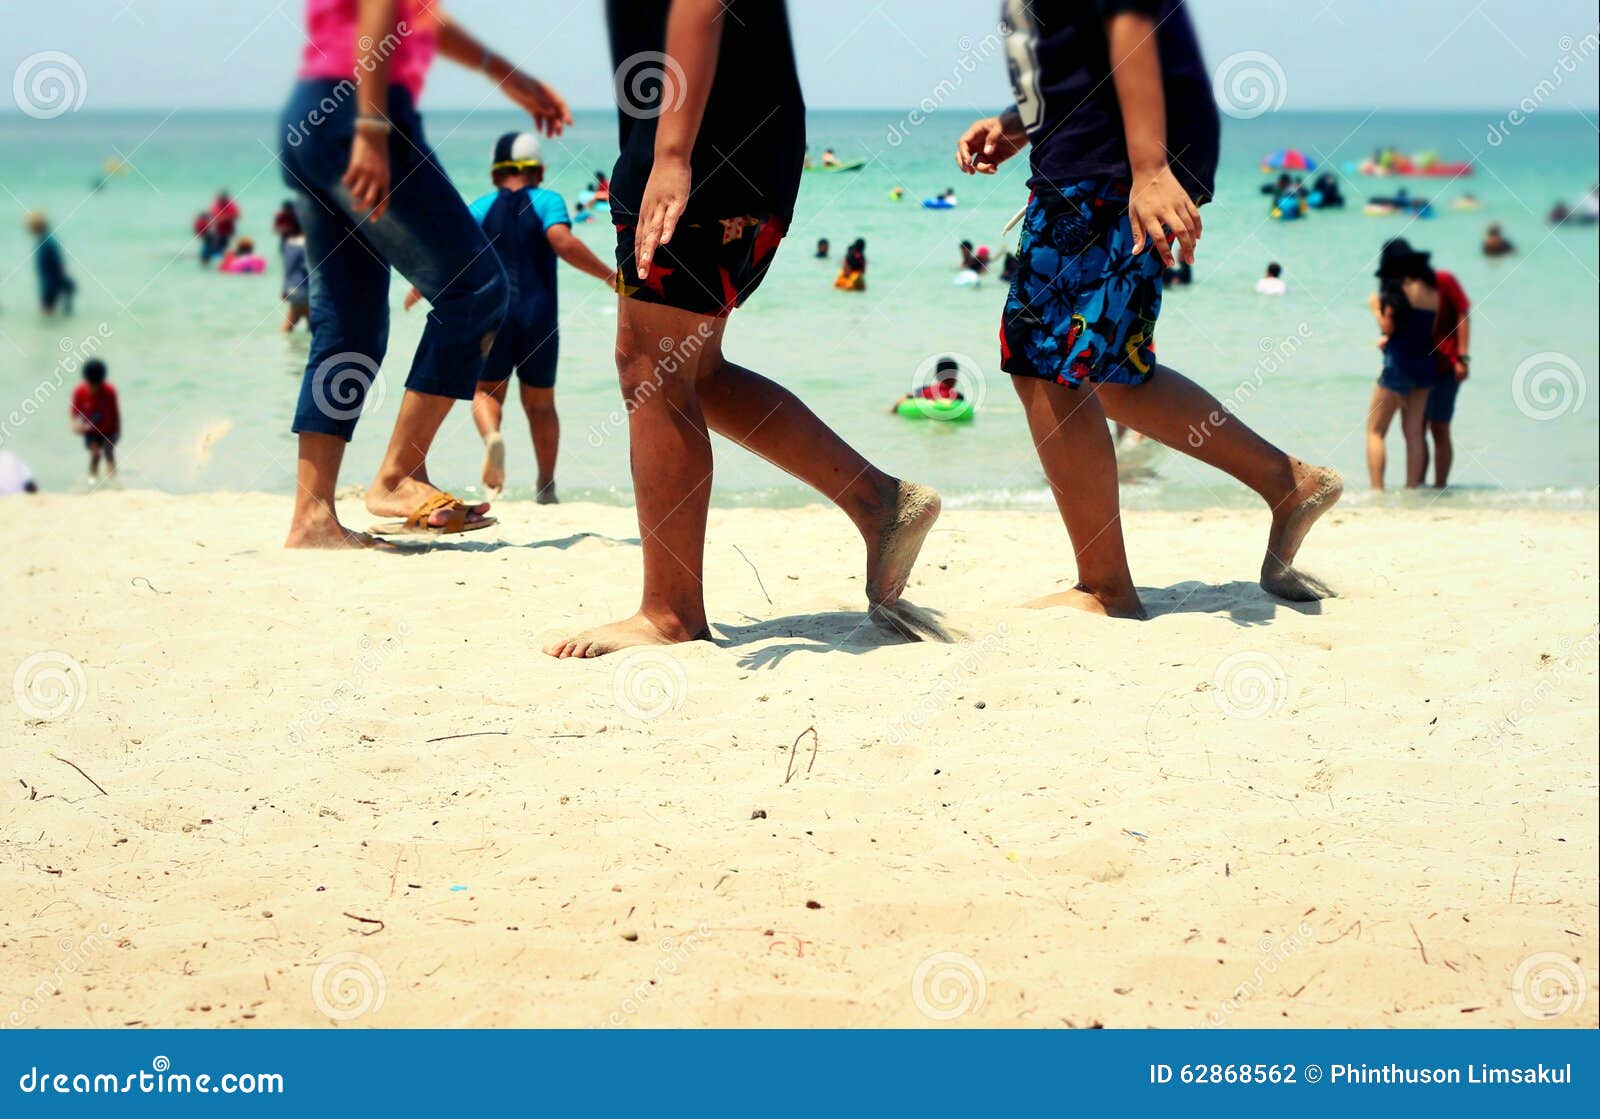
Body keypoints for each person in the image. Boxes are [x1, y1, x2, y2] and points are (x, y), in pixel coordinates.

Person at [544, 0, 939, 658]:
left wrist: (671, 152)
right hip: (742, 138)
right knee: (697, 372)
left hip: (704, 138)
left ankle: (670, 611)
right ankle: (879, 502)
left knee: (651, 367)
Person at [955, 0, 1339, 615]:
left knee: (1040, 358)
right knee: (1106, 368)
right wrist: (1019, 122)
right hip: (1099, 154)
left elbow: (1127, 14)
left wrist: (1150, 166)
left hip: (1108, 165)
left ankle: (1104, 587)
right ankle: (1288, 484)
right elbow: (1076, 48)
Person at [278, 0, 569, 547]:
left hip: (314, 112)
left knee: (348, 324)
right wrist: (369, 125)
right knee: (477, 287)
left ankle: (312, 519)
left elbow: (418, 15)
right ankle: (399, 474)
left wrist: (506, 73)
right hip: (360, 110)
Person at [406, 131, 615, 503]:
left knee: (485, 392)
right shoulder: (548, 200)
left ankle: (492, 438)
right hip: (539, 317)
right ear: (540, 171)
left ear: (494, 174)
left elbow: (454, 249)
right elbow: (561, 240)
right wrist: (608, 275)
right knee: (541, 404)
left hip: (493, 317)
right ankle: (546, 487)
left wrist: (423, 284)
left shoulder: (482, 206)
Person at [1364, 244, 1440, 490]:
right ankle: (1412, 491)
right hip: (1426, 366)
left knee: (1375, 431)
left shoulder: (1399, 288)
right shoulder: (1432, 290)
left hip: (1398, 366)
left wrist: (1375, 307)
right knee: (1414, 434)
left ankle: (1377, 491)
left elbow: (1389, 327)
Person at [1425, 254, 1471, 488]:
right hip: (1418, 367)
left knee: (1439, 427)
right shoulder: (1405, 287)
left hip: (1447, 365)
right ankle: (1418, 487)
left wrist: (1462, 356)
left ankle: (1439, 486)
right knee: (1416, 428)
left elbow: (1463, 311)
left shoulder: (1444, 280)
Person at [71, 358, 120, 480]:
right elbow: (74, 413)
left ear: (102, 381)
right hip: (91, 431)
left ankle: (113, 482)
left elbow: (116, 414)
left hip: (109, 430)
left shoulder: (110, 391)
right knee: (95, 454)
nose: (94, 389)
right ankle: (92, 481)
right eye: (91, 385)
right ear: (86, 380)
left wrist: (117, 433)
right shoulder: (79, 392)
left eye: (97, 385)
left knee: (109, 452)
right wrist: (75, 425)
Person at [25, 213, 76, 315]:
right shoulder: (46, 240)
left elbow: (57, 264)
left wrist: (60, 281)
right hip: (51, 283)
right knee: (53, 316)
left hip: (50, 285)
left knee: (48, 314)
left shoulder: (46, 242)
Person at [889, 357, 965, 413]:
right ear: (955, 377)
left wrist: (893, 411)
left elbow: (906, 398)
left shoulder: (922, 391)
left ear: (936, 375)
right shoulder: (958, 397)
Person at [281, 220, 311, 332]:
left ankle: (286, 347)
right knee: (314, 325)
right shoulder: (305, 244)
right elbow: (307, 268)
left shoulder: (289, 244)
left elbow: (287, 269)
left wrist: (284, 289)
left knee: (289, 325)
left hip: (291, 287)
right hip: (304, 288)